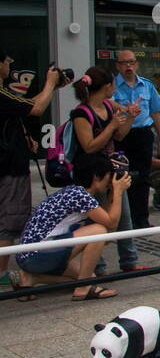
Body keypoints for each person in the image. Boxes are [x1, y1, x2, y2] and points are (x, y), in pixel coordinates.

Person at [14, 153, 130, 301]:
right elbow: (110, 224)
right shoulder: (80, 196)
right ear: (96, 176)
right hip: (35, 255)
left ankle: (31, 278)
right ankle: (83, 289)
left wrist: (112, 194)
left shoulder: (75, 192)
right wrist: (119, 192)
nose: (110, 180)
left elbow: (107, 228)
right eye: (109, 175)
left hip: (30, 254)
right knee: (97, 232)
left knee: (89, 276)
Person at [0, 56, 63, 291]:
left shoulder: (6, 94)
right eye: (6, 62)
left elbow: (26, 106)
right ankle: (2, 273)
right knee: (8, 218)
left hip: (9, 163)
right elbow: (36, 108)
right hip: (8, 168)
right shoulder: (1, 93)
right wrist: (49, 83)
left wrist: (52, 86)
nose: (10, 66)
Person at [70, 67, 142, 272]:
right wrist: (111, 126)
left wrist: (130, 118)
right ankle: (97, 266)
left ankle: (130, 261)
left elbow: (119, 136)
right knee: (96, 220)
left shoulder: (109, 106)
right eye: (112, 84)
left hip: (112, 169)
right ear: (106, 86)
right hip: (91, 174)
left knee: (124, 216)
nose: (114, 88)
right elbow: (89, 146)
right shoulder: (81, 113)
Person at [113, 49, 160, 233]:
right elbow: (107, 104)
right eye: (124, 63)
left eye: (131, 62)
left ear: (136, 64)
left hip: (143, 134)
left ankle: (141, 218)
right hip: (122, 136)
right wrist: (123, 108)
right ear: (118, 66)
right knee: (122, 177)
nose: (128, 66)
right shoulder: (112, 86)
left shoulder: (147, 85)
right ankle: (124, 220)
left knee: (143, 177)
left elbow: (155, 111)